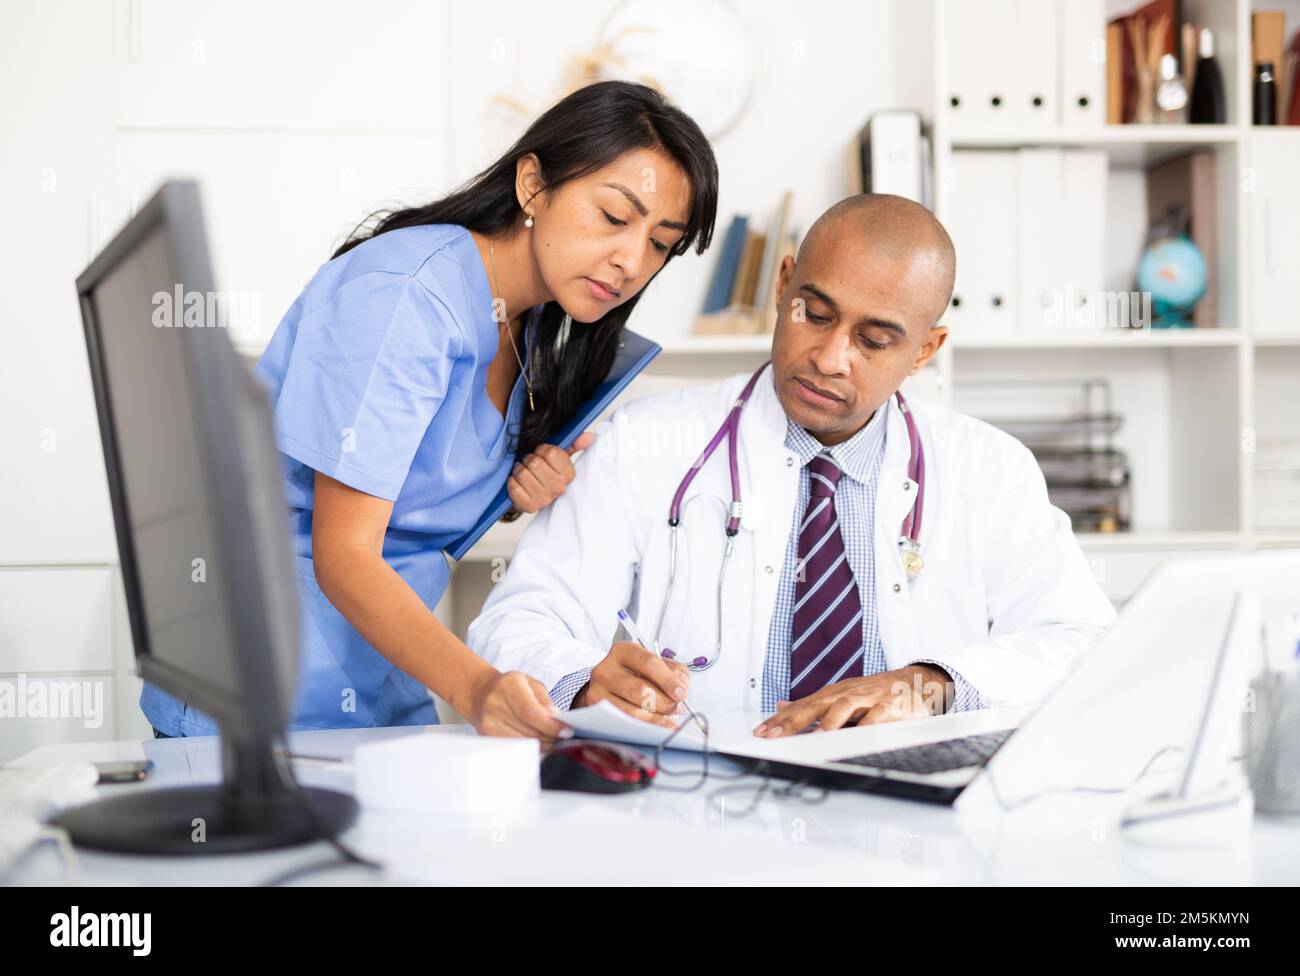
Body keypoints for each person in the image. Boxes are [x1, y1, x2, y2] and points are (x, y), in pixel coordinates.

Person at [142, 80, 718, 739]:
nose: (629, 261)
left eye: (660, 243)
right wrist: (480, 691)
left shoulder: (527, 328)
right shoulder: (405, 296)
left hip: (375, 696)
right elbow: (346, 554)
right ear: (533, 184)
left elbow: (412, 495)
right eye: (615, 217)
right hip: (251, 700)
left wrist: (510, 493)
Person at [468, 193, 1117, 738]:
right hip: (701, 797)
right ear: (783, 287)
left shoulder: (990, 470)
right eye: (816, 312)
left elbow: (1085, 644)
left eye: (874, 339)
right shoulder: (647, 442)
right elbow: (518, 621)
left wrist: (934, 685)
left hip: (909, 806)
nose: (830, 357)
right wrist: (584, 683)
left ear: (926, 350)